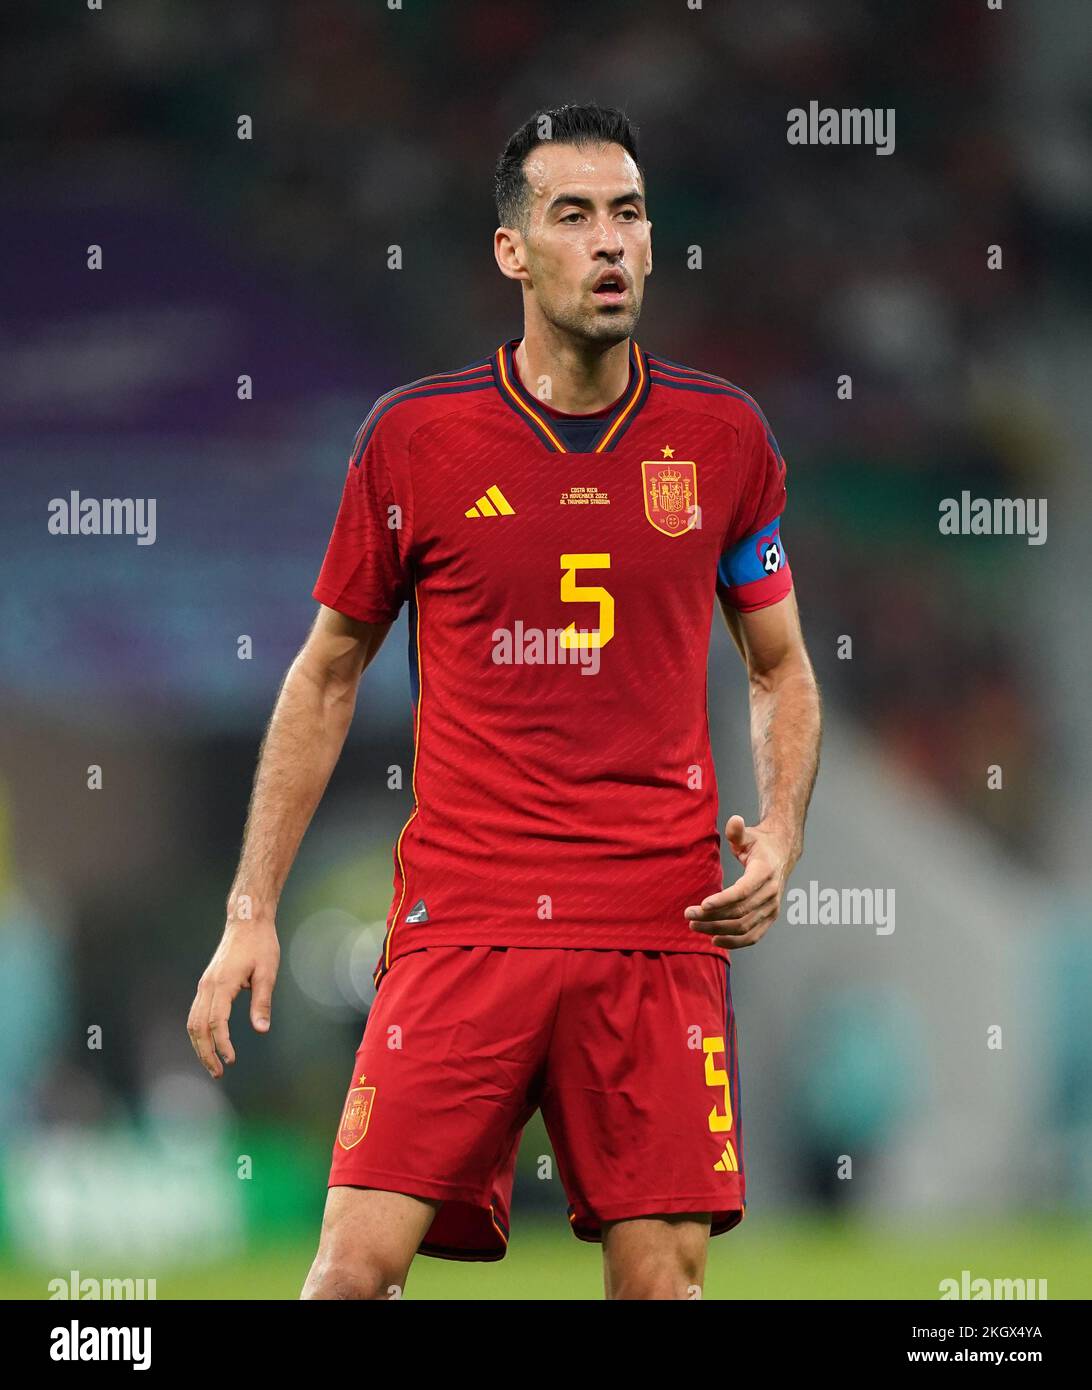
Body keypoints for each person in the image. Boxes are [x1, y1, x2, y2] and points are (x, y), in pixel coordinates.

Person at [187, 103, 822, 1300]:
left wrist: (783, 827)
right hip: (465, 919)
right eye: (573, 217)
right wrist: (251, 905)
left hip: (656, 919)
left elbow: (781, 665)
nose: (611, 244)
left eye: (628, 214)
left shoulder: (724, 438)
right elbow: (327, 672)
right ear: (512, 252)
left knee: (662, 1287)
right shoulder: (416, 441)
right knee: (347, 1274)